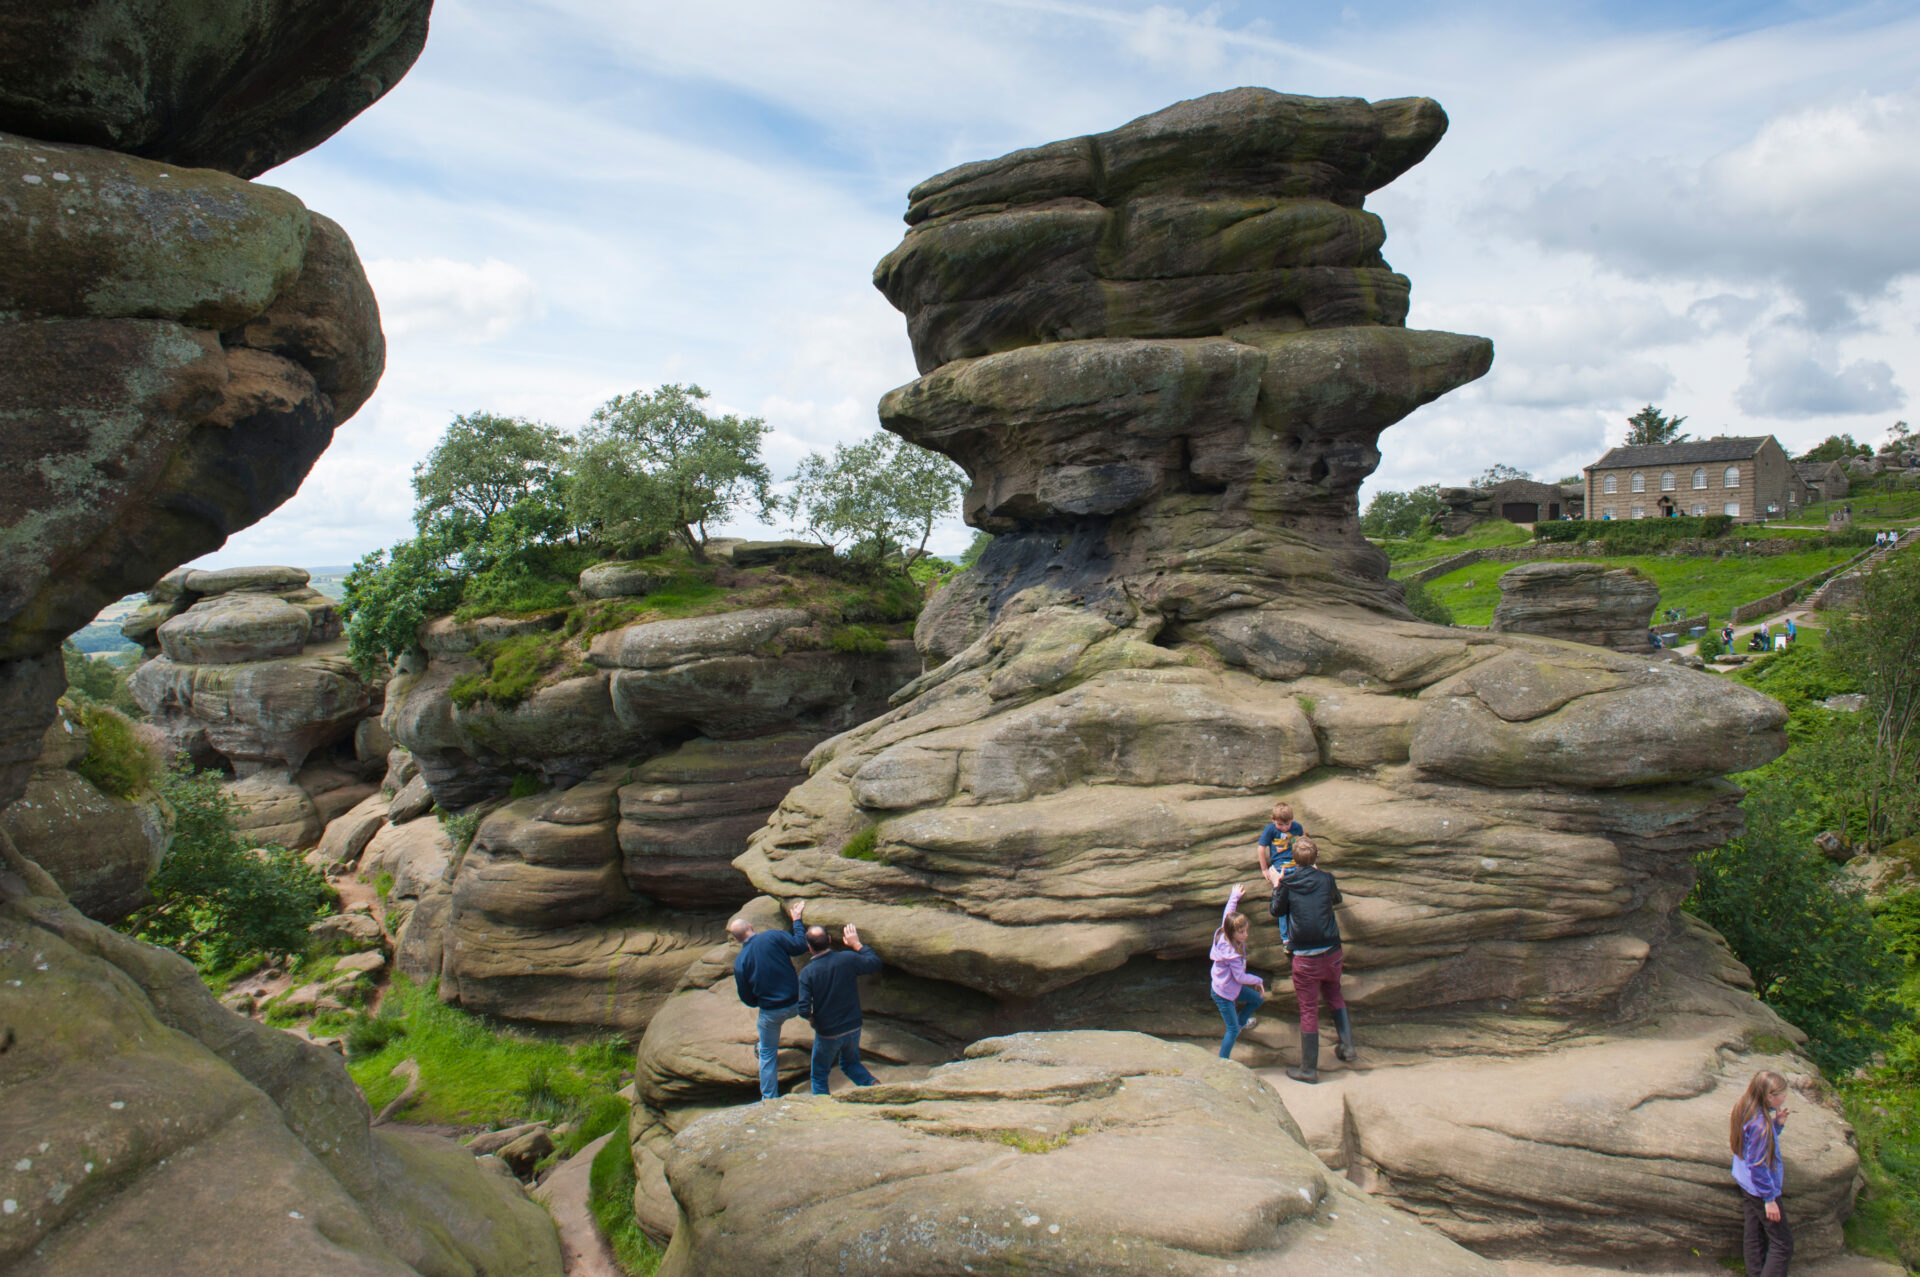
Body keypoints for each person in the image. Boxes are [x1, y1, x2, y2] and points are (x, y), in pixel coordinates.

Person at [1269, 837, 1353, 1083]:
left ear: (1294, 860)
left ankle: (1308, 1070)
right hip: (1332, 951)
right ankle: (1348, 1048)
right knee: (1335, 994)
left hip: (1305, 958)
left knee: (1309, 1009)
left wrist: (1277, 884)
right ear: (1316, 859)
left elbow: (1277, 911)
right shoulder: (1326, 879)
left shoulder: (1289, 883)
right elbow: (1336, 900)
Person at [728, 898, 809, 1101]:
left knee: (767, 1054)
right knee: (822, 1016)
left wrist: (762, 1002)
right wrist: (797, 920)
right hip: (799, 1002)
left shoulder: (740, 962)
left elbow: (747, 997)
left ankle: (769, 1099)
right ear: (751, 928)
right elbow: (800, 945)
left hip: (771, 1011)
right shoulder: (773, 937)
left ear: (737, 940)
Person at [796, 922, 883, 1095]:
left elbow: (803, 1008)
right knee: (851, 1064)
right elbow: (874, 963)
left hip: (828, 1032)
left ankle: (822, 1110)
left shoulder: (808, 973)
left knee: (819, 1074)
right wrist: (856, 943)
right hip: (853, 1025)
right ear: (829, 939)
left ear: (808, 947)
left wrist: (812, 1018)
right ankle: (873, 1086)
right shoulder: (847, 959)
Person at [1730, 1069, 1793, 1276]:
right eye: (1782, 1094)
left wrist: (1777, 1125)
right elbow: (1757, 1164)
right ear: (1769, 1097)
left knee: (1754, 1234)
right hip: (1760, 1189)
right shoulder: (1760, 1125)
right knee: (1782, 1244)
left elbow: (1752, 1145)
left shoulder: (1746, 1107)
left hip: (1746, 1183)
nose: (1785, 1098)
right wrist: (1770, 1199)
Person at [1210, 883, 1265, 1058]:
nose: (1245, 935)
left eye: (1246, 931)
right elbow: (1240, 977)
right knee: (1232, 1031)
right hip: (1223, 993)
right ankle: (1222, 1062)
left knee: (1257, 999)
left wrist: (1234, 896)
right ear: (1233, 933)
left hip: (1231, 987)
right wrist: (1259, 981)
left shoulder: (1226, 930)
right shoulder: (1231, 954)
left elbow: (1228, 914)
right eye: (1241, 932)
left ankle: (1241, 1022)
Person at [1256, 802, 1306, 947]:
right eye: (1280, 824)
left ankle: (1298, 935)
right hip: (1279, 869)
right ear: (1273, 819)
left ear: (1292, 820)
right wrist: (1265, 869)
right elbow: (1261, 849)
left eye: (1287, 824)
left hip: (1295, 866)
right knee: (1282, 903)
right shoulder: (1270, 829)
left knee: (1297, 902)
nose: (1284, 827)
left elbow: (1304, 842)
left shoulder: (1297, 827)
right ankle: (1285, 938)